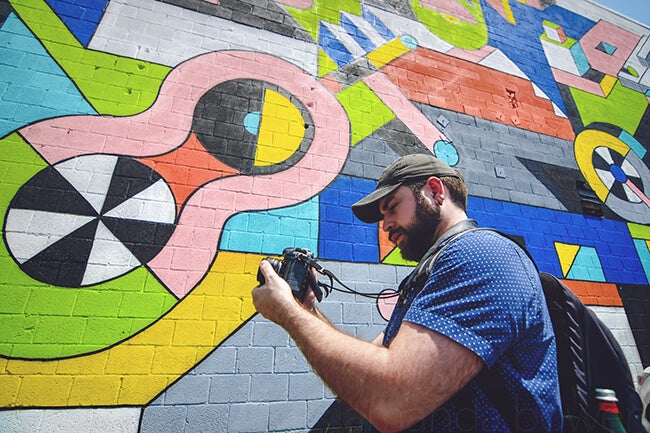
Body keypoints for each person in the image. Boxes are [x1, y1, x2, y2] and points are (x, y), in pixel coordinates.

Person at [252, 153, 563, 432]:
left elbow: (391, 401)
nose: (385, 225)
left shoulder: (481, 255)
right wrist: (307, 309)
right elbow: (370, 372)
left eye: (392, 207)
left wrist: (288, 313)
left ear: (435, 191)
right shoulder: (436, 269)